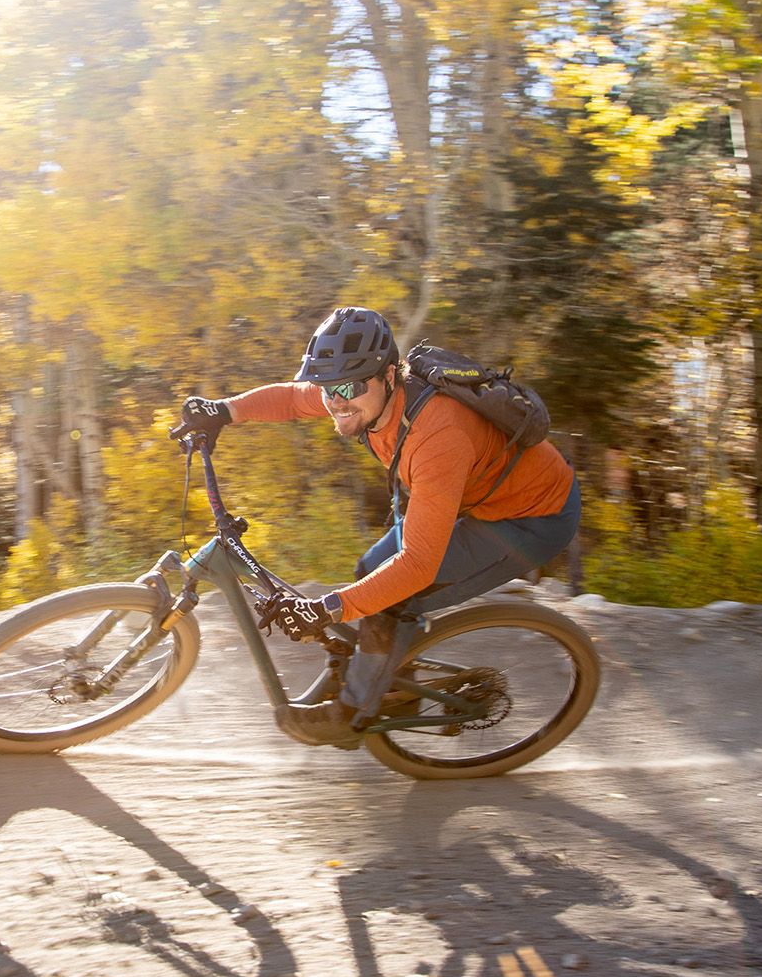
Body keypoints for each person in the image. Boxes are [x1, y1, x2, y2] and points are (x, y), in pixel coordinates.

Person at [170, 306, 580, 747]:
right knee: (371, 569)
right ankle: (395, 690)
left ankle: (354, 712)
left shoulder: (437, 434)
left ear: (389, 376)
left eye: (347, 387)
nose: (336, 401)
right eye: (328, 389)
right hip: (470, 492)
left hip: (530, 518)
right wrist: (222, 411)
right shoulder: (361, 394)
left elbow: (418, 564)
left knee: (394, 597)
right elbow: (292, 397)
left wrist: (325, 609)